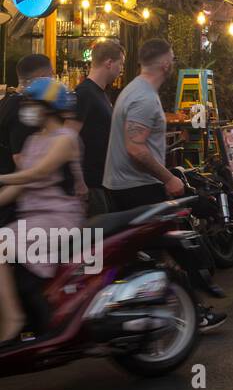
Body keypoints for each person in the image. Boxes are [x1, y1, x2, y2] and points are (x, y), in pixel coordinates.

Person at [0, 79, 84, 342]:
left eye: (31, 104)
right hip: (32, 218)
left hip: (59, 219)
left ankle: (13, 319)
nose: (26, 109)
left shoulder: (65, 138)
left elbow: (38, 172)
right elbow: (19, 184)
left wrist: (1, 179)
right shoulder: (34, 141)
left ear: (48, 107)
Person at [104, 39, 184, 212]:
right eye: (173, 58)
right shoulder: (144, 97)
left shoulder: (134, 89)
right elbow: (135, 149)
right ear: (165, 64)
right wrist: (169, 178)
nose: (173, 63)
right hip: (137, 189)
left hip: (128, 186)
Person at [73, 39, 124, 210]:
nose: (121, 70)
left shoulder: (100, 94)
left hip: (101, 180)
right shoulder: (85, 93)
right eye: (121, 64)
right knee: (96, 236)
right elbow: (69, 138)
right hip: (90, 183)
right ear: (109, 63)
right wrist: (79, 181)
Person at [0, 53, 55, 176]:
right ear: (42, 78)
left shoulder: (8, 100)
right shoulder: (24, 106)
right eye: (51, 75)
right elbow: (20, 159)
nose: (54, 81)